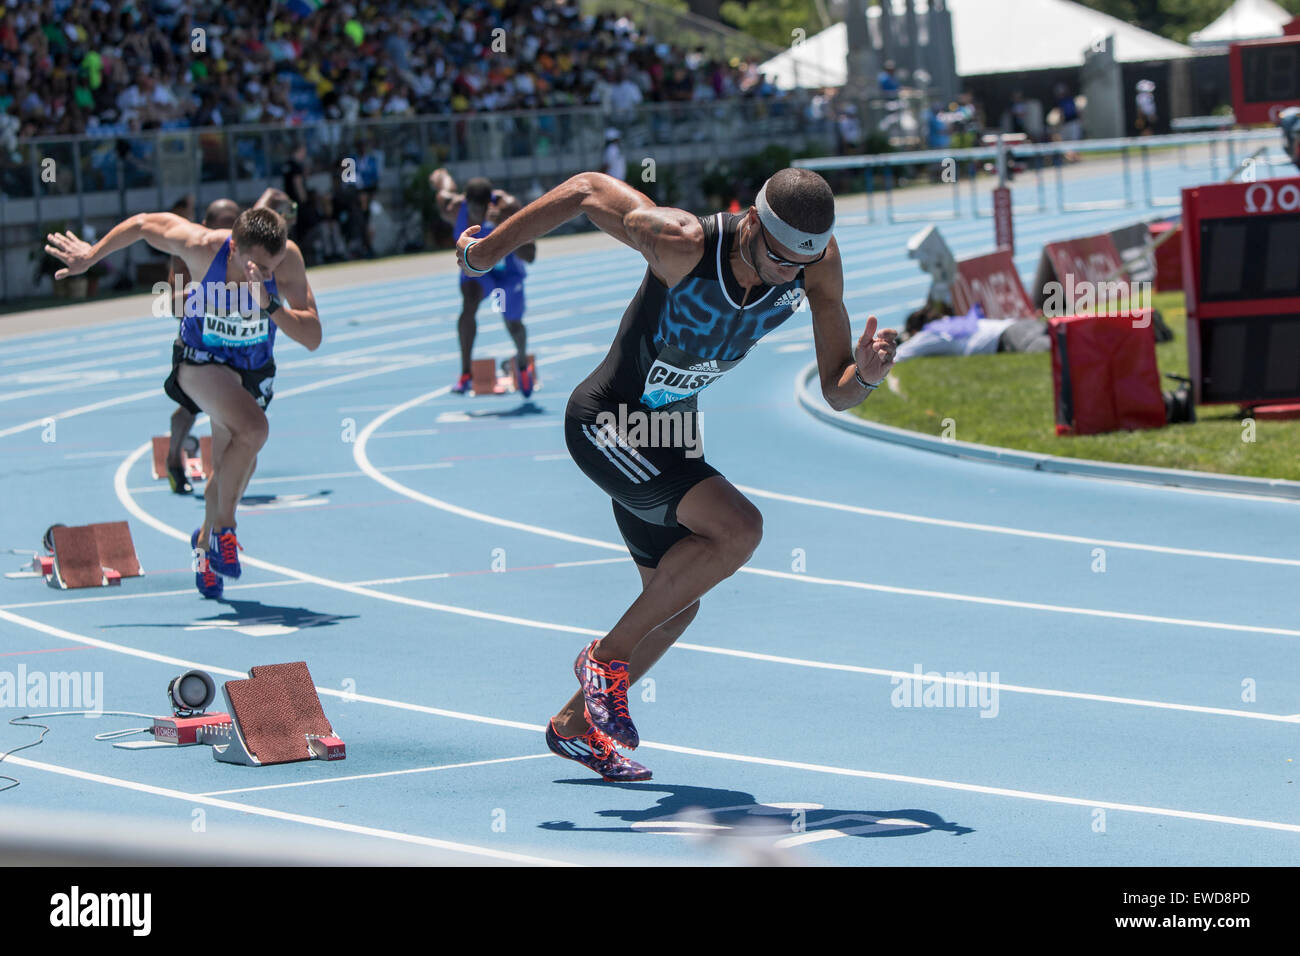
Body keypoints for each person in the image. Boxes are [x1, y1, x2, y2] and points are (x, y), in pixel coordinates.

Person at [454, 168, 897, 780]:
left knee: (675, 607)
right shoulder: (682, 243)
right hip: (608, 423)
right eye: (778, 260)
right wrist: (482, 255)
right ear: (750, 223)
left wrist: (867, 376)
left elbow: (837, 392)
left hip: (670, 438)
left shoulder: (815, 263)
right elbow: (586, 190)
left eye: (803, 263)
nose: (790, 275)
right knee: (740, 528)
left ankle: (574, 729)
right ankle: (603, 661)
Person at [45, 207, 322, 600]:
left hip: (253, 367)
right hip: (201, 362)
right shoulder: (201, 247)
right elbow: (142, 225)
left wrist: (271, 305)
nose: (263, 271)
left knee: (237, 461)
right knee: (255, 429)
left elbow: (312, 337)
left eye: (271, 265)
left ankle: (204, 546)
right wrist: (91, 257)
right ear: (234, 248)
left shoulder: (287, 258)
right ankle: (225, 531)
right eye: (255, 264)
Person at [430, 168, 537, 396]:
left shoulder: (507, 207)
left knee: (513, 324)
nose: (478, 214)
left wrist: (507, 229)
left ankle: (521, 364)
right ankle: (466, 374)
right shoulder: (454, 208)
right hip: (480, 271)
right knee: (468, 303)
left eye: (483, 209)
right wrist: (440, 176)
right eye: (474, 210)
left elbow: (531, 254)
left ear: (490, 203)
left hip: (507, 272)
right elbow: (443, 188)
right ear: (466, 202)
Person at [163, 196, 240, 495]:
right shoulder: (186, 251)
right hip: (198, 339)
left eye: (232, 232)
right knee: (191, 407)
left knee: (236, 406)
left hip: (234, 339)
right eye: (220, 231)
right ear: (205, 228)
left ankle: (226, 473)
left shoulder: (244, 249)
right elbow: (173, 304)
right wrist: (207, 293)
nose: (225, 240)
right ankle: (173, 460)